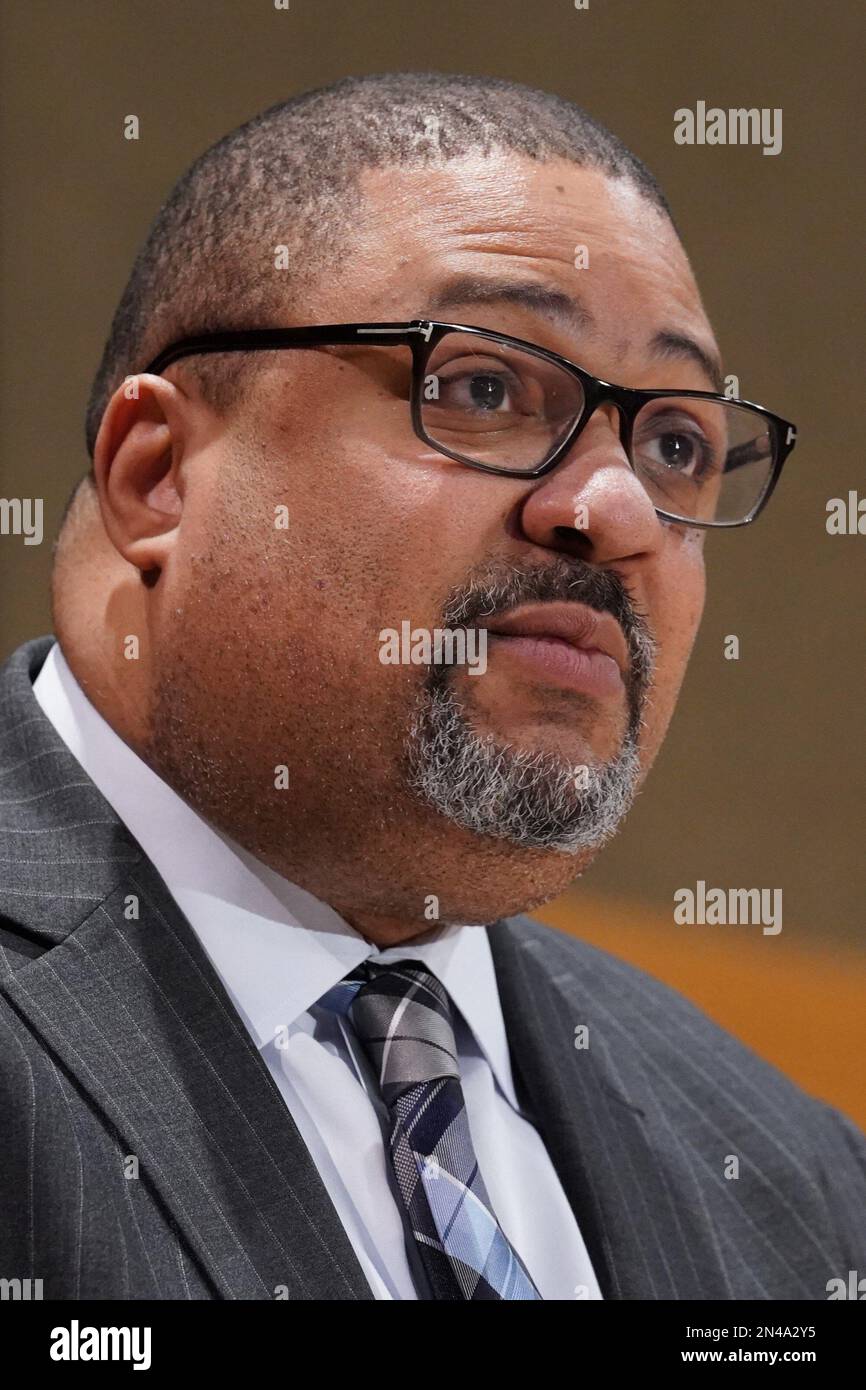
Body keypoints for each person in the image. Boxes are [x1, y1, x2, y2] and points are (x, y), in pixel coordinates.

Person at [0, 71, 862, 1302]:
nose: (613, 509)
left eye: (675, 443)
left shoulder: (797, 1185)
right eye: (484, 389)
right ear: (160, 476)